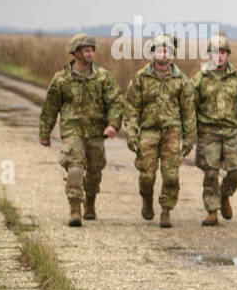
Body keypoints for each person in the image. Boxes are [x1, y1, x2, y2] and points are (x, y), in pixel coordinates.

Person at [39, 33, 123, 226]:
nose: (91, 53)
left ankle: (90, 203)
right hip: (72, 132)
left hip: (96, 132)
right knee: (75, 168)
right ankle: (75, 209)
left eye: (92, 50)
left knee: (94, 171)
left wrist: (113, 124)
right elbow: (50, 107)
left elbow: (116, 102)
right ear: (75, 52)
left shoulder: (103, 77)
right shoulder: (61, 80)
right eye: (86, 50)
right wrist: (45, 133)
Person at [123, 34, 195, 228]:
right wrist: (131, 133)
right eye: (160, 50)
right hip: (148, 131)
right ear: (153, 52)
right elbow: (131, 109)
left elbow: (188, 111)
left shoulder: (181, 80)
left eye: (168, 50)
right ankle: (147, 198)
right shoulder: (141, 78)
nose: (164, 54)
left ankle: (166, 210)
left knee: (171, 176)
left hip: (172, 131)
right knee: (147, 175)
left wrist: (189, 138)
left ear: (172, 54)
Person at [191, 34, 237, 226]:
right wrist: (189, 130)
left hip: (233, 132)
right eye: (215, 52)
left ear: (227, 54)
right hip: (208, 132)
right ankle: (212, 210)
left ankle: (224, 195)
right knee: (210, 172)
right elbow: (189, 105)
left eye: (222, 52)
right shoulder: (200, 79)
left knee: (236, 170)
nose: (219, 56)